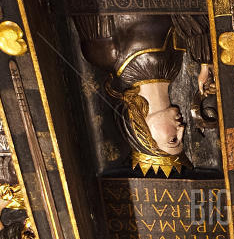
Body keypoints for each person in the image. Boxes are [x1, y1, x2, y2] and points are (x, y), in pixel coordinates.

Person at [79, 14, 212, 176]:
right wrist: (206, 64)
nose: (182, 130)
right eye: (181, 139)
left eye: (173, 140)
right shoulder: (172, 71)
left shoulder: (103, 55)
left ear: (144, 135)